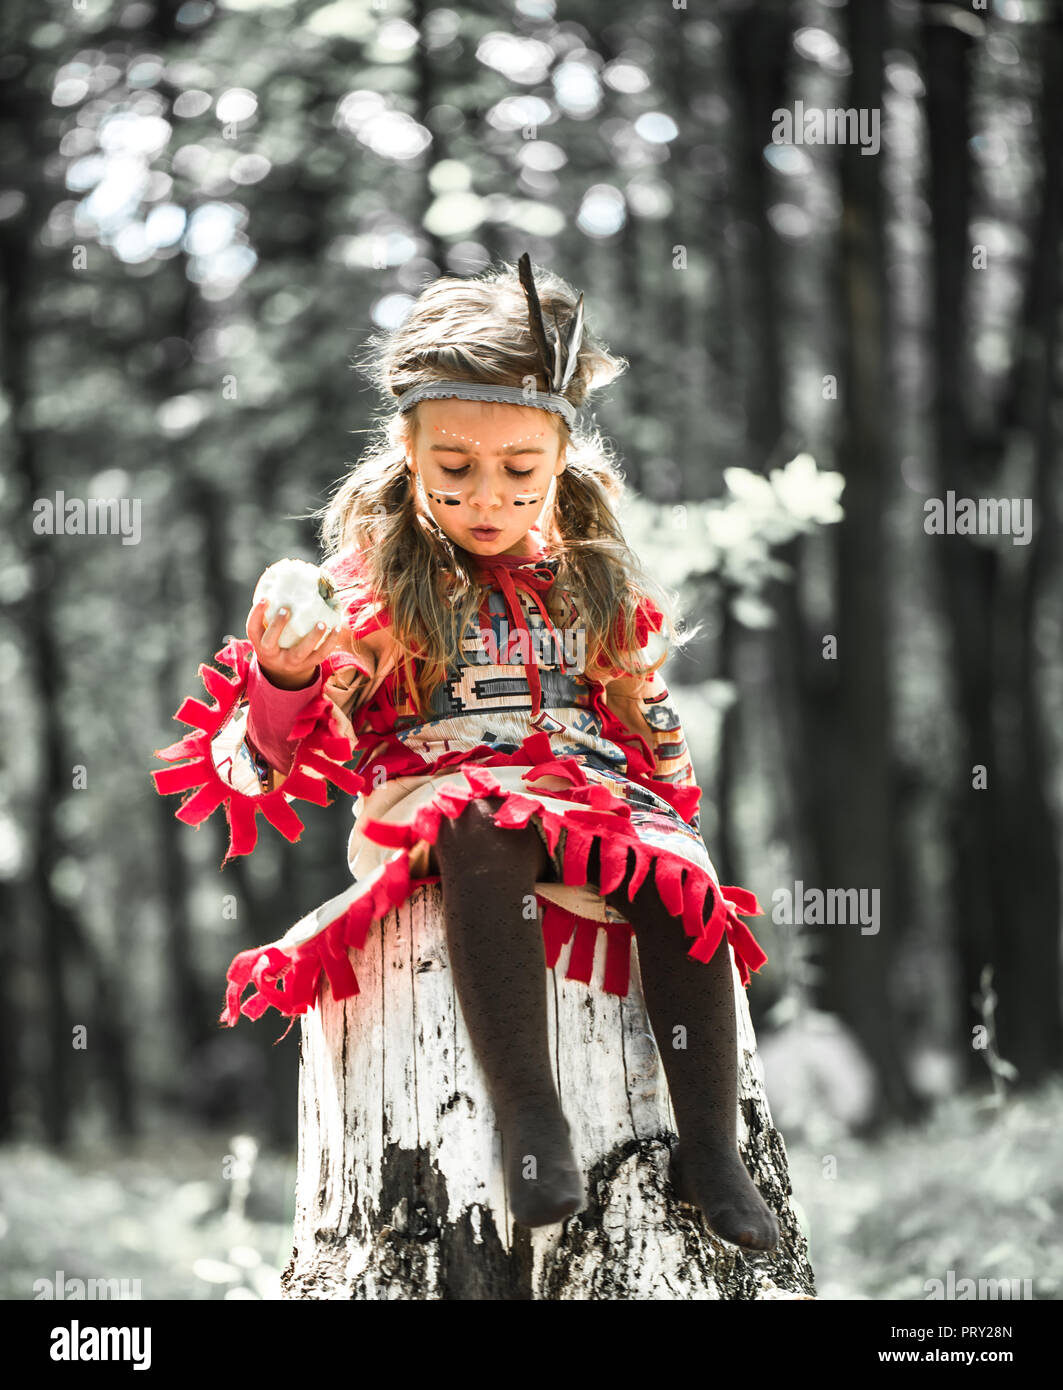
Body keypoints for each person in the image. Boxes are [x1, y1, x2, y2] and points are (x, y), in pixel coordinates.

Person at [153, 254, 778, 1250]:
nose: (486, 495)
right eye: (454, 469)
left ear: (560, 459)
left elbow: (644, 718)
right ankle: (533, 1118)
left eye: (519, 471)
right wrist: (282, 673)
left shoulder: (591, 584)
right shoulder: (371, 591)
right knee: (484, 825)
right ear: (408, 454)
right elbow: (262, 762)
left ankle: (710, 1146)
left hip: (586, 798)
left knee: (678, 875)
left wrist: (670, 813)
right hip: (439, 797)